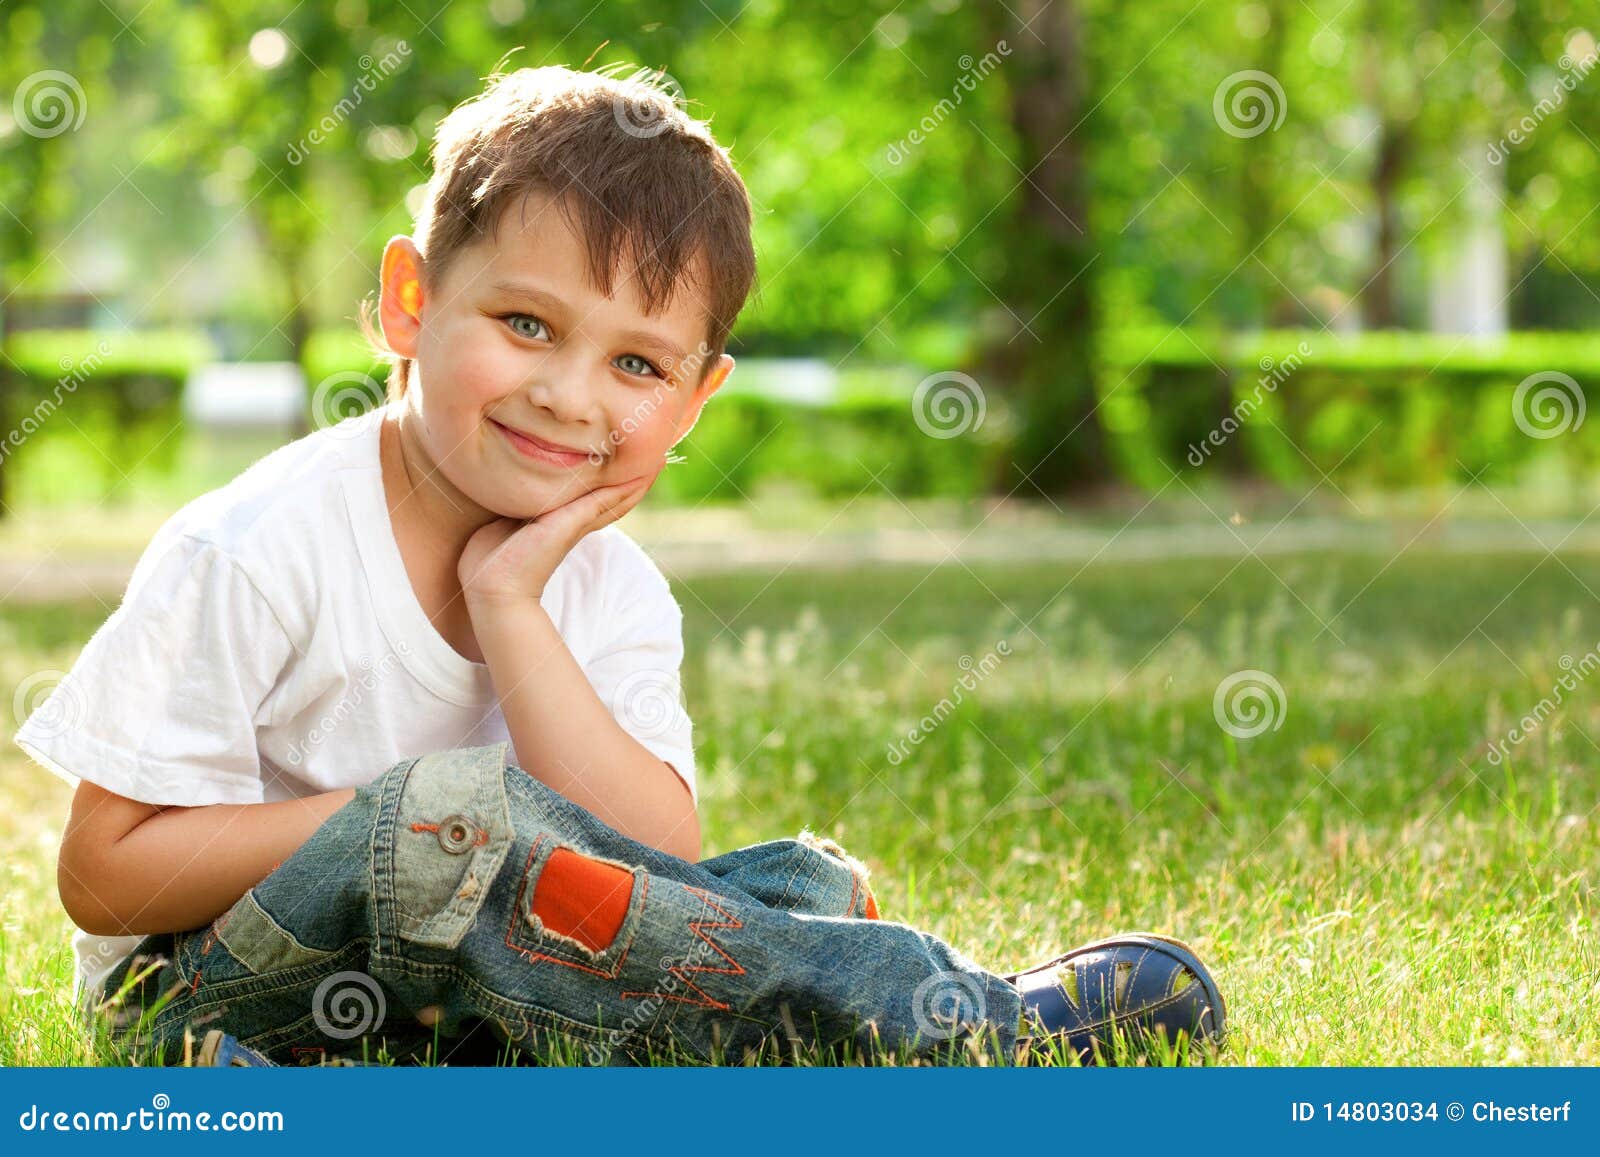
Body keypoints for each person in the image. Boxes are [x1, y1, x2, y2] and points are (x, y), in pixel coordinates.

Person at [14, 65, 1225, 1067]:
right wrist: (398, 822)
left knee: (789, 879)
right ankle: (957, 1024)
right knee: (455, 824)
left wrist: (508, 601)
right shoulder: (257, 546)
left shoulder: (611, 588)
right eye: (525, 324)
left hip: (442, 999)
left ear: (694, 401)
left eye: (637, 365)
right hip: (206, 1003)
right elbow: (103, 876)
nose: (568, 393)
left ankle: (753, 1007)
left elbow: (654, 853)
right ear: (409, 299)